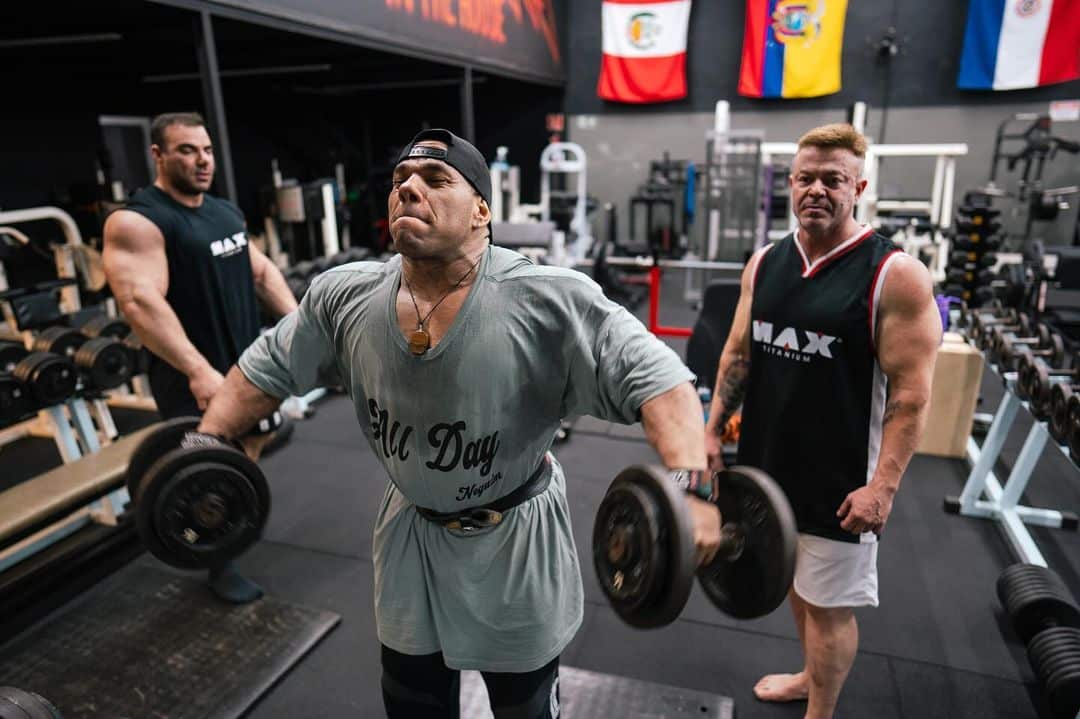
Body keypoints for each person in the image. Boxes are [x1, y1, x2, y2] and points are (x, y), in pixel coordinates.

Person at [195, 128, 723, 719]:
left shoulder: (549, 299)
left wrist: (686, 488)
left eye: (435, 180)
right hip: (408, 537)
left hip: (514, 542)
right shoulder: (343, 296)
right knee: (412, 703)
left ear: (481, 211)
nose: (409, 191)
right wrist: (206, 444)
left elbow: (661, 380)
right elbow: (263, 369)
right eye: (400, 182)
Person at [704, 124, 940, 719]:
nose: (816, 190)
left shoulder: (895, 275)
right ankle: (810, 676)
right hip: (768, 465)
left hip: (840, 480)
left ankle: (822, 710)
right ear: (789, 183)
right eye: (805, 178)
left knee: (831, 606)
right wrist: (711, 432)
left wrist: (883, 487)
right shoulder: (766, 264)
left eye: (832, 179)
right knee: (795, 583)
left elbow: (912, 396)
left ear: (858, 186)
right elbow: (737, 354)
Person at [102, 112, 297, 424]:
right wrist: (198, 370)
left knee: (254, 448)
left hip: (248, 368)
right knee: (210, 464)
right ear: (158, 155)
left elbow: (261, 274)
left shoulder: (226, 213)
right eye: (187, 150)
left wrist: (301, 329)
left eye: (207, 150)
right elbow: (139, 302)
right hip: (194, 379)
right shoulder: (137, 221)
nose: (203, 160)